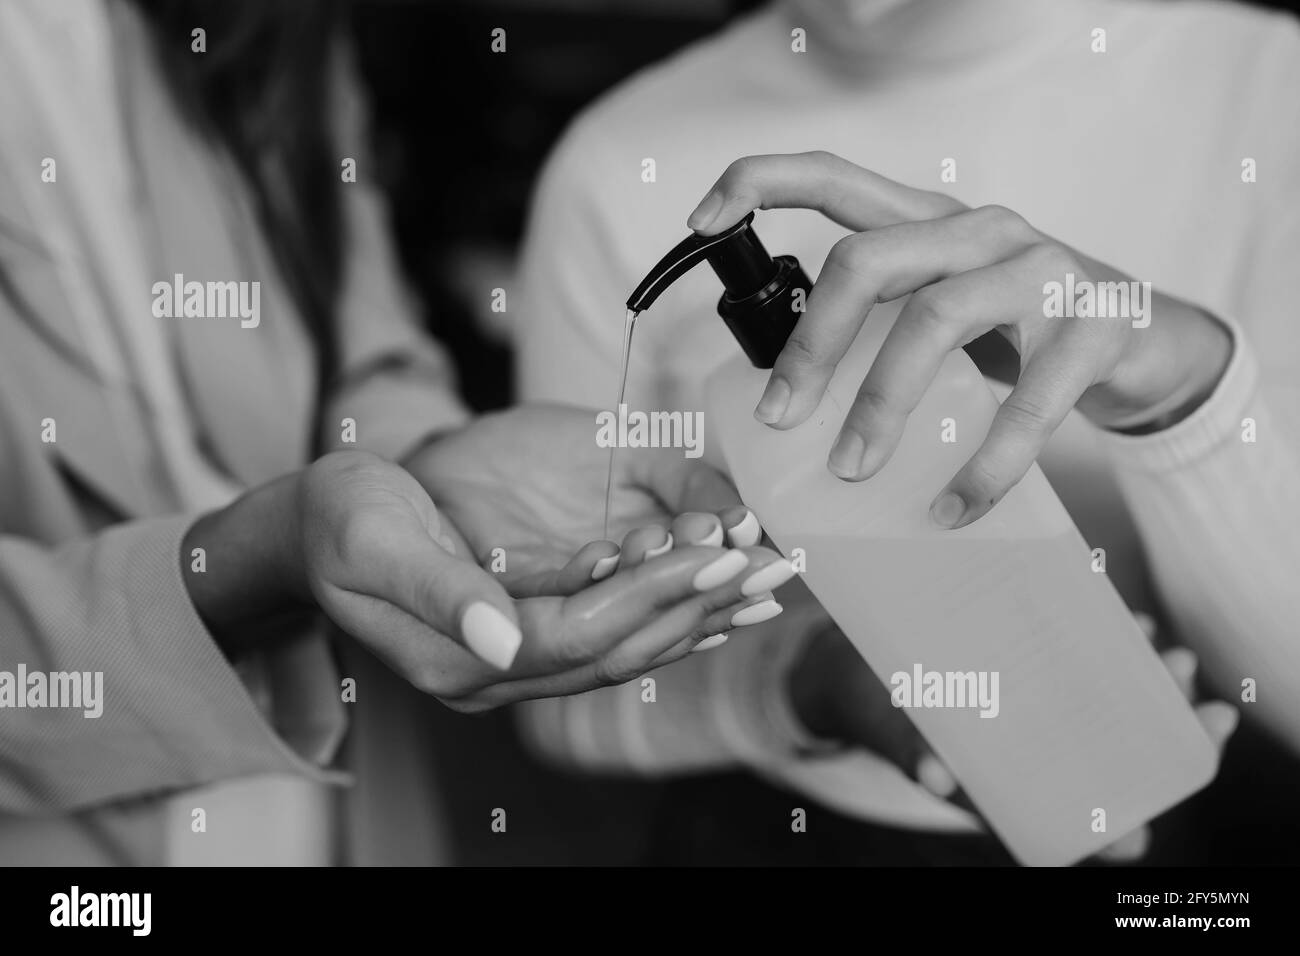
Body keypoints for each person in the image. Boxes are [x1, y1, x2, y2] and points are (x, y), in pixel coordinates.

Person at [0, 0, 790, 865]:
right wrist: (261, 559)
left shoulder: (265, 26)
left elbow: (364, 341)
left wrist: (427, 460)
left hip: (335, 787)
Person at [514, 0, 1296, 856]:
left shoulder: (1268, 88)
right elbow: (562, 695)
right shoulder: (615, 163)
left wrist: (1183, 390)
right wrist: (807, 678)